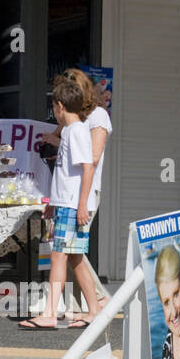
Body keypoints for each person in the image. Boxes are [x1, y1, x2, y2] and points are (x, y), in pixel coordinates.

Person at [20, 76, 98, 330]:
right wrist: (54, 202)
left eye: (53, 107)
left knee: (58, 257)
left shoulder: (75, 132)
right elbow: (69, 174)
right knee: (75, 257)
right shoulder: (73, 131)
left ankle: (50, 313)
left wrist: (82, 204)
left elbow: (88, 168)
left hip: (72, 205)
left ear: (60, 106)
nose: (54, 112)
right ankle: (95, 311)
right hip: (66, 203)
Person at [41, 69, 112, 319]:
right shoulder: (73, 126)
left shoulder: (93, 120)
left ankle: (69, 307)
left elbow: (90, 161)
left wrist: (82, 203)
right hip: (69, 198)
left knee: (65, 253)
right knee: (71, 253)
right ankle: (90, 306)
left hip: (81, 196)